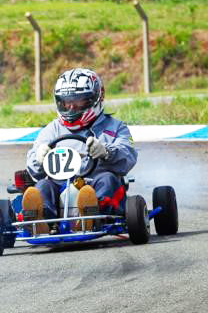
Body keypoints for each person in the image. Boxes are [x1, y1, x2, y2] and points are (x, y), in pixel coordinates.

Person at [23, 68, 137, 233]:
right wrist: (38, 158)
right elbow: (34, 169)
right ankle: (42, 219)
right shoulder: (51, 130)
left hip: (96, 182)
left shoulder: (115, 127)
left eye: (78, 101)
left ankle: (92, 215)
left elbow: (129, 155)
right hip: (59, 185)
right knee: (42, 185)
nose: (70, 107)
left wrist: (107, 152)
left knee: (107, 179)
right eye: (65, 101)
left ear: (97, 97)